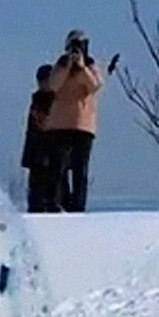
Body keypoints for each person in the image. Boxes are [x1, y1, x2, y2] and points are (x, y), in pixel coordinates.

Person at [44, 29, 108, 212]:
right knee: (58, 168)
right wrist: (67, 67)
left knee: (80, 169)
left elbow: (94, 86)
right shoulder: (60, 65)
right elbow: (53, 86)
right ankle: (57, 202)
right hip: (59, 125)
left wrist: (81, 68)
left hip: (83, 125)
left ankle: (78, 206)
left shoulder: (91, 66)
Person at [21, 64, 59, 213]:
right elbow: (31, 128)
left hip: (53, 147)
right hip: (36, 149)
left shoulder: (58, 100)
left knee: (54, 182)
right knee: (36, 184)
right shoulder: (36, 100)